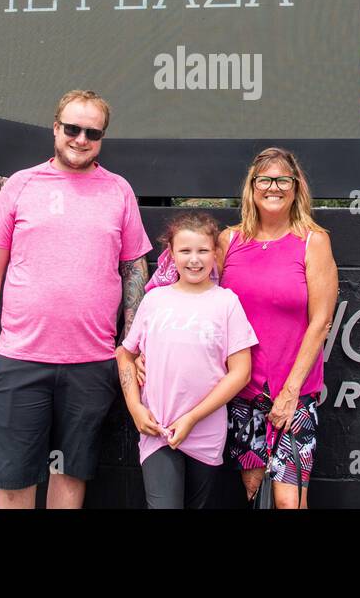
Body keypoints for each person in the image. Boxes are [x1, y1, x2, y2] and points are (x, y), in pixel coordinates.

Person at [0, 89, 152, 509]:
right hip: (20, 361)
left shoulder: (118, 191)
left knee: (70, 479)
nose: (81, 139)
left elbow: (135, 272)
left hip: (91, 364)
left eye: (93, 132)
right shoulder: (21, 185)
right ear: (56, 128)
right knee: (14, 483)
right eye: (72, 128)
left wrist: (129, 347)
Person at [216, 147, 338, 508]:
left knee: (288, 500)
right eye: (265, 179)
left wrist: (291, 392)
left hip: (294, 393)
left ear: (296, 186)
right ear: (252, 187)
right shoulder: (229, 241)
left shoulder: (314, 242)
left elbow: (321, 321)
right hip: (241, 391)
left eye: (283, 179)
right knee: (252, 491)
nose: (274, 187)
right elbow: (196, 296)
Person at [116, 212, 257, 509]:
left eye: (203, 250)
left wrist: (192, 417)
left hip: (205, 432)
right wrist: (135, 408)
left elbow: (241, 373)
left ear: (215, 253)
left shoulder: (226, 303)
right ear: (171, 254)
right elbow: (125, 354)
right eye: (185, 251)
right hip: (158, 429)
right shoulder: (155, 300)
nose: (194, 259)